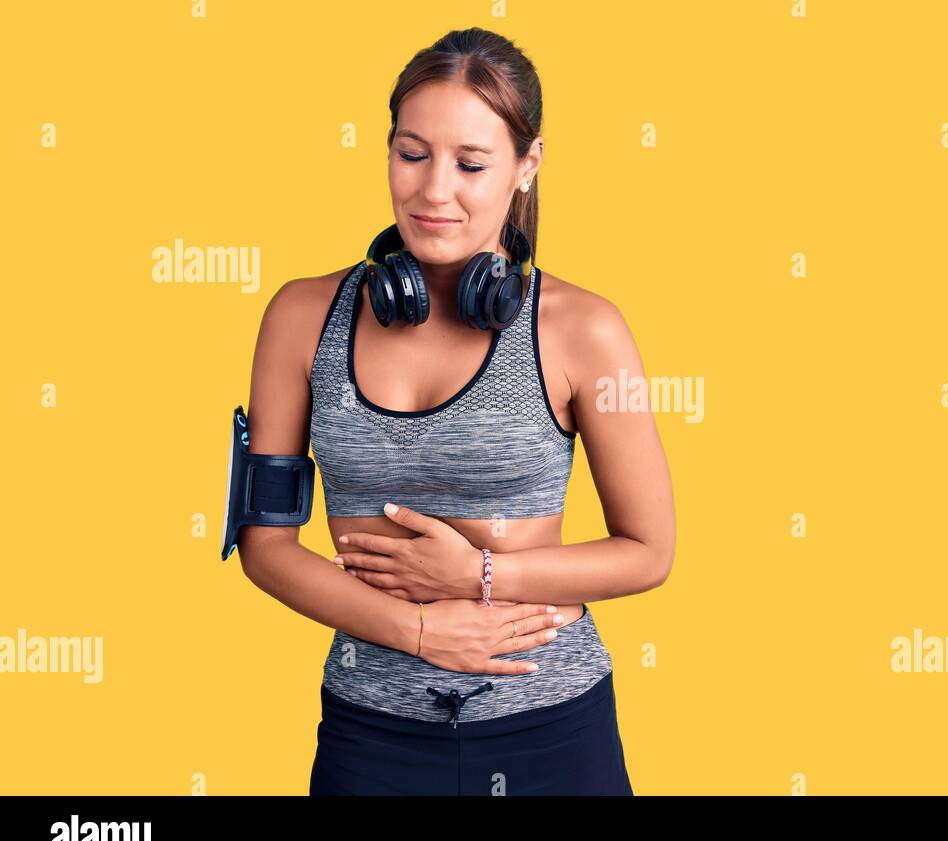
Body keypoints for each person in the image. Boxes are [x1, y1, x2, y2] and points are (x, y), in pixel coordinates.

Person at [235, 27, 675, 795]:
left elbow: (649, 550)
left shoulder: (584, 329)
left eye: (472, 164)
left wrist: (482, 573)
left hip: (552, 727)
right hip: (370, 735)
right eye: (412, 154)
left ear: (526, 166)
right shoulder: (301, 317)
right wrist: (420, 629)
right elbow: (264, 545)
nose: (435, 190)